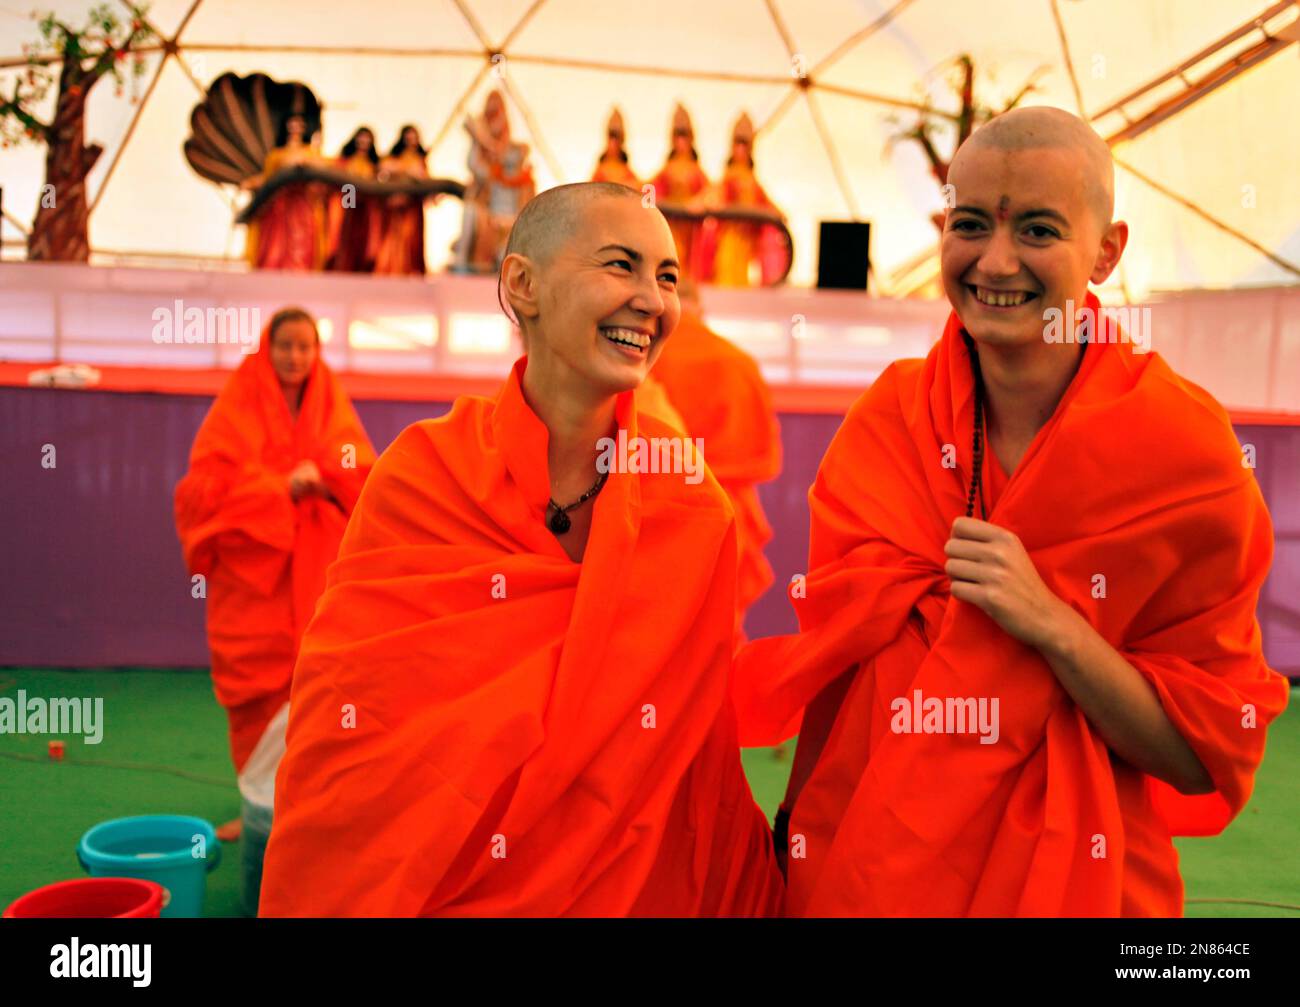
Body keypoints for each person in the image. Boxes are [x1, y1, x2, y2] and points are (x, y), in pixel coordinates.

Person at [734, 106, 1289, 917]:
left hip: (1072, 877)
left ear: (1107, 251)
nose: (996, 262)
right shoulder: (890, 420)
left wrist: (1051, 624)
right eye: (969, 224)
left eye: (1036, 231)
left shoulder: (1183, 449)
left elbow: (1205, 754)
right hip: (867, 861)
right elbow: (843, 683)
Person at [260, 182, 783, 917]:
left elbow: (697, 766)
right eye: (621, 265)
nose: (652, 299)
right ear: (522, 284)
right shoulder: (424, 476)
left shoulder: (692, 505)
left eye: (666, 276)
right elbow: (352, 740)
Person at [174, 308, 376, 844]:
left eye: (305, 347)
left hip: (316, 573)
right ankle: (257, 801)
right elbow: (204, 489)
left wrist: (324, 476)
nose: (295, 357)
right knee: (256, 694)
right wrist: (279, 488)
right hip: (253, 580)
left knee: (318, 688)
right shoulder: (237, 403)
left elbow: (362, 473)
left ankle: (310, 799)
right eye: (285, 346)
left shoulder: (331, 403)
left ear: (317, 352)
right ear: (268, 348)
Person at [637, 280, 780, 637]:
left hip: (656, 517)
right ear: (699, 306)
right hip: (728, 516)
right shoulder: (738, 361)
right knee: (716, 638)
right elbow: (766, 458)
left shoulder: (638, 357)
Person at [451, 90, 536, 274]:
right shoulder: (488, 169)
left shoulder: (524, 177)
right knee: (470, 212)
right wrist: (477, 141)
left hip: (513, 219)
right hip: (490, 216)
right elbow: (474, 166)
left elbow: (528, 207)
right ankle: (463, 262)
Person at [242, 114, 327, 271]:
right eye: (292, 124)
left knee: (302, 243)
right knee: (275, 244)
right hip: (279, 205)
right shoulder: (276, 154)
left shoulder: (311, 153)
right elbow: (268, 178)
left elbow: (322, 180)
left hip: (302, 205)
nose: (296, 128)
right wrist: (251, 183)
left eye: (300, 125)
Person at [651, 104, 710, 280]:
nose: (681, 143)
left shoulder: (696, 170)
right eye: (678, 137)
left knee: (688, 265)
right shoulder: (667, 169)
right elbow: (650, 189)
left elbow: (712, 192)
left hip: (690, 228)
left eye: (685, 137)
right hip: (671, 225)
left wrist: (700, 201)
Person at [325, 126, 382, 273]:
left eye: (367, 138)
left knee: (365, 239)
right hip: (347, 203)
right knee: (345, 234)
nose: (364, 141)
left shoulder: (373, 166)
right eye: (361, 137)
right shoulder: (345, 162)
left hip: (366, 206)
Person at [374, 125, 429, 275]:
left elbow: (424, 178)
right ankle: (390, 269)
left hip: (412, 208)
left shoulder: (420, 161)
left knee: (410, 239)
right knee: (392, 238)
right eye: (409, 137)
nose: (411, 141)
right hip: (394, 206)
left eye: (414, 137)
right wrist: (406, 169)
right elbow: (383, 168)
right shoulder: (394, 158)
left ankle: (409, 270)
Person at [592, 108, 639, 188]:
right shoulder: (599, 172)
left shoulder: (628, 173)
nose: (613, 143)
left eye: (617, 138)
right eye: (611, 138)